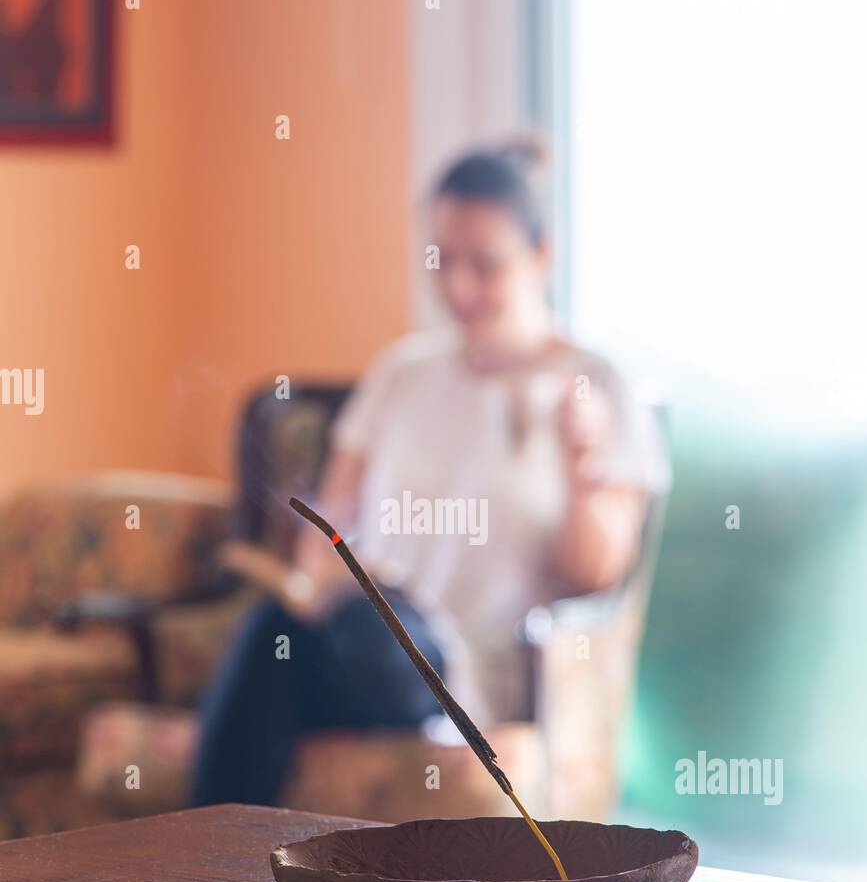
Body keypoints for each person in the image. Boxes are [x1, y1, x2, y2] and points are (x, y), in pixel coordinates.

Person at [191, 138, 669, 807]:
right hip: (361, 643)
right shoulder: (401, 375)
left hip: (461, 669)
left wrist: (582, 466)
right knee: (275, 628)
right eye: (442, 260)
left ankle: (208, 870)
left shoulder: (593, 384)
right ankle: (229, 875)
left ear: (540, 255)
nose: (457, 287)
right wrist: (325, 580)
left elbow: (593, 576)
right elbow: (323, 532)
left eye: (485, 265)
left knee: (311, 642)